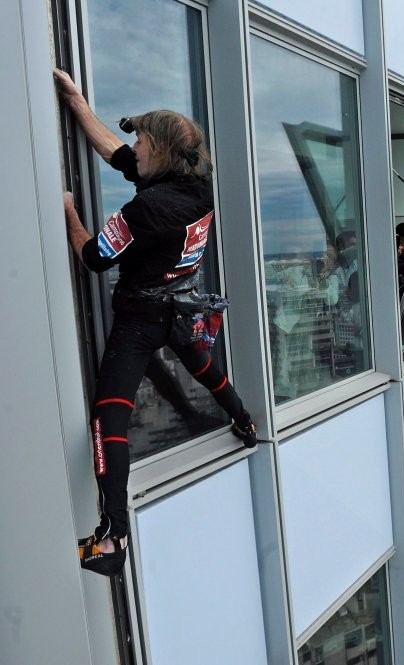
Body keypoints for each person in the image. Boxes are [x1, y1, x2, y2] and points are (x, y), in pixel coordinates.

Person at [54, 69, 258, 576]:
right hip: (180, 308)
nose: (135, 147)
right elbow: (118, 156)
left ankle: (114, 535)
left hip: (141, 320)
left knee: (109, 418)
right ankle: (244, 421)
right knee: (204, 369)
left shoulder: (146, 209)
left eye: (142, 140)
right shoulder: (197, 187)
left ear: (161, 151)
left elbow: (95, 257)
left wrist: (67, 213)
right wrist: (79, 106)